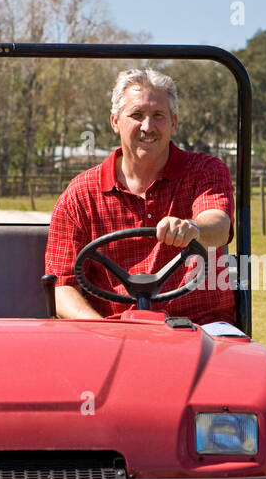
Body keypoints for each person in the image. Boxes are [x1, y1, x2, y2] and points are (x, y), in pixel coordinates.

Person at [44, 68, 236, 324]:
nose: (148, 126)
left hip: (200, 324)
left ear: (173, 123)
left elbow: (219, 225)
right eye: (136, 115)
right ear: (115, 122)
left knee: (246, 363)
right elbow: (61, 286)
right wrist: (100, 330)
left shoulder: (204, 171)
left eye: (158, 115)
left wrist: (192, 227)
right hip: (114, 330)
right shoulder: (81, 193)